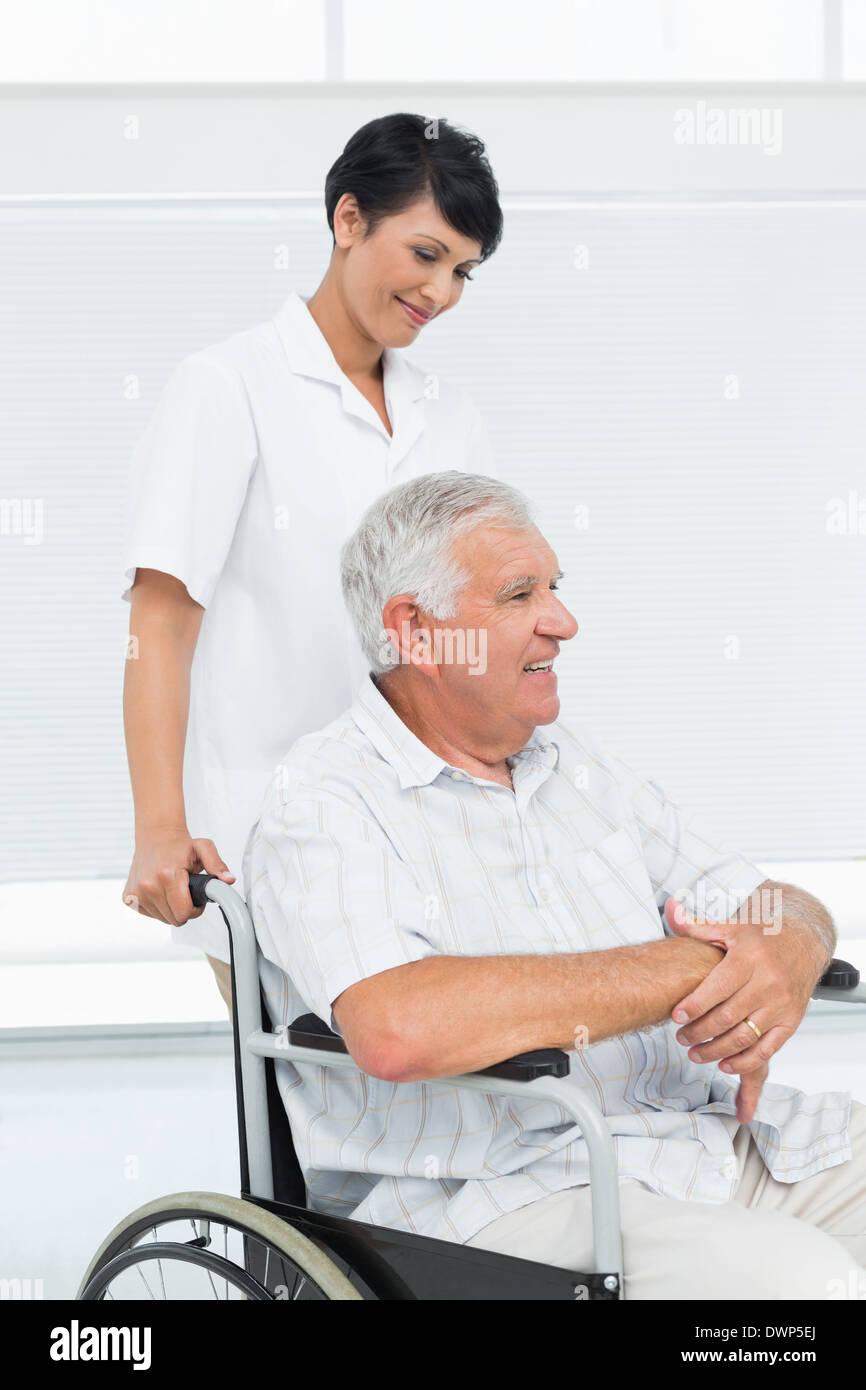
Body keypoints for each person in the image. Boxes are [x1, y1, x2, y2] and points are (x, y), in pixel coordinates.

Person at [244, 469, 865, 1300]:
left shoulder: (576, 764)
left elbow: (762, 902)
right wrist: (693, 968)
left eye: (556, 588)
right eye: (519, 595)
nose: (564, 622)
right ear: (418, 631)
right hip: (502, 1191)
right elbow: (398, 1029)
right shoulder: (323, 800)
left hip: (700, 1139)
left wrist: (789, 947)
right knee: (806, 1289)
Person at [119, 114, 503, 1010]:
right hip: (262, 833)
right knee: (293, 1128)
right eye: (426, 254)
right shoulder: (228, 387)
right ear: (348, 220)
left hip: (428, 832)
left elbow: (478, 620)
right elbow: (160, 623)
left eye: (463, 272)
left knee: (439, 1126)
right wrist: (159, 831)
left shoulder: (451, 418)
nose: (441, 291)